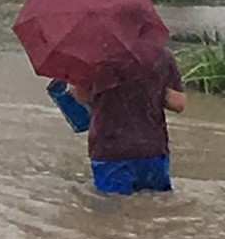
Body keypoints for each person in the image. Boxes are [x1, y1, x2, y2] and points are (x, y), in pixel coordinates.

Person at [69, 55, 187, 194]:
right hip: (152, 149)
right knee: (155, 205)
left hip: (111, 150)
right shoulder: (161, 55)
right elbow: (179, 103)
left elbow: (82, 96)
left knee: (112, 207)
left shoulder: (95, 56)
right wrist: (151, 86)